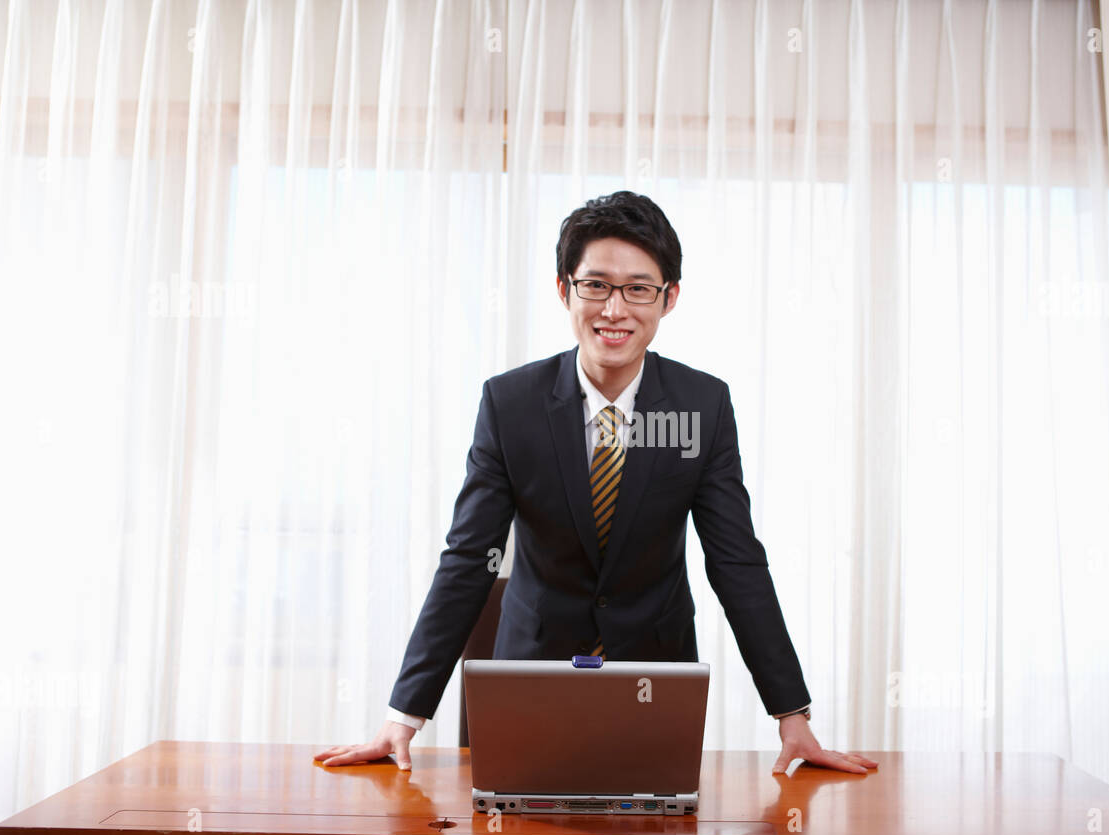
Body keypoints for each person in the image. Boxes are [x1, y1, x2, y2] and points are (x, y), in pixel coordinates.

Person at [314, 191, 877, 778]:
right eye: (596, 286)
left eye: (639, 288)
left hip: (656, 687)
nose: (616, 309)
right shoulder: (510, 405)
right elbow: (468, 561)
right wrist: (402, 716)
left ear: (669, 299)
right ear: (565, 290)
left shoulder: (702, 406)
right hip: (531, 683)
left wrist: (792, 714)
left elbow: (735, 562)